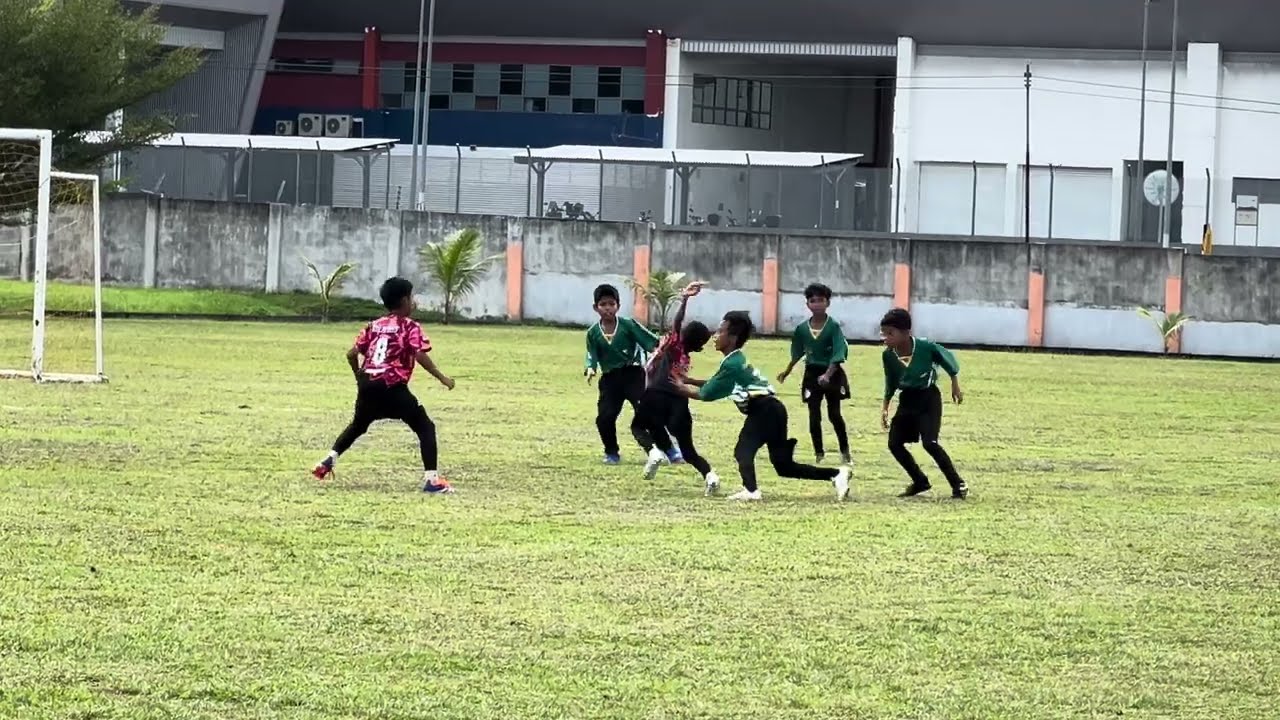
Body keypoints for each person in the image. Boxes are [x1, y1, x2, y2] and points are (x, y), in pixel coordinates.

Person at [673, 311, 851, 502]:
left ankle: (751, 491)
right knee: (784, 467)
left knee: (742, 451)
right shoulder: (735, 359)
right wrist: (689, 380)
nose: (715, 336)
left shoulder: (732, 364)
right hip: (773, 409)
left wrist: (679, 388)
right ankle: (836, 474)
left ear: (732, 338)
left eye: (720, 331)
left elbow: (706, 394)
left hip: (763, 410)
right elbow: (717, 383)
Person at [312, 277, 456, 494]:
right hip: (392, 385)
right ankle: (432, 481)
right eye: (412, 297)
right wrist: (442, 378)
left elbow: (351, 354)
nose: (414, 302)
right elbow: (419, 354)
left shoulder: (374, 325)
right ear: (406, 300)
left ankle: (326, 462)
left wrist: (359, 376)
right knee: (425, 427)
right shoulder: (410, 327)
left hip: (369, 385)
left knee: (358, 426)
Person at [638, 281, 720, 494]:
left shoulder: (675, 345)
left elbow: (677, 321)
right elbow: (685, 379)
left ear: (683, 335)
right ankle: (710, 476)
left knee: (638, 427)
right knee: (688, 451)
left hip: (656, 394)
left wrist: (684, 298)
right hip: (679, 399)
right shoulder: (685, 358)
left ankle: (654, 453)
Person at [879, 308, 969, 499]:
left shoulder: (925, 347)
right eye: (883, 332)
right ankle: (920, 481)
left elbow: (947, 360)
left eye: (889, 333)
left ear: (905, 333)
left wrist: (955, 384)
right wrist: (885, 407)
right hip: (907, 400)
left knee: (930, 443)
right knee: (894, 444)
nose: (884, 337)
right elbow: (891, 381)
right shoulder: (888, 356)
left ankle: (958, 484)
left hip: (928, 398)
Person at [584, 283, 674, 465]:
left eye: (611, 304)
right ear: (596, 307)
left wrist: (661, 347)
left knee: (647, 412)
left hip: (633, 375)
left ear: (618, 305)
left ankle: (669, 450)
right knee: (605, 417)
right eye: (603, 304)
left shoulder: (628, 325)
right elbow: (591, 354)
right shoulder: (593, 333)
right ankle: (611, 452)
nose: (607, 308)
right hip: (610, 379)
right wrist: (591, 367)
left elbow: (650, 341)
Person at [776, 283, 851, 465]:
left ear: (828, 303)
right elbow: (797, 352)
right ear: (808, 304)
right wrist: (787, 371)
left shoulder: (833, 326)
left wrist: (828, 375)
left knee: (834, 414)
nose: (817, 304)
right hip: (812, 374)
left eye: (821, 300)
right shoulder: (802, 329)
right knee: (814, 415)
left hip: (832, 374)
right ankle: (819, 453)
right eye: (813, 301)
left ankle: (845, 451)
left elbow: (839, 352)